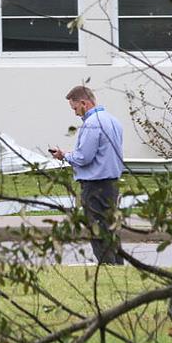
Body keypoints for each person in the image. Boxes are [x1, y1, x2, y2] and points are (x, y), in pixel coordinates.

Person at [48, 84, 125, 265]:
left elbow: (84, 157)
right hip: (112, 183)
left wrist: (64, 155)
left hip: (95, 185)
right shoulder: (113, 121)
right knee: (111, 229)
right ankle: (119, 267)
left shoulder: (92, 124)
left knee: (97, 231)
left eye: (75, 108)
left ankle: (108, 267)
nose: (75, 113)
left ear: (84, 103)